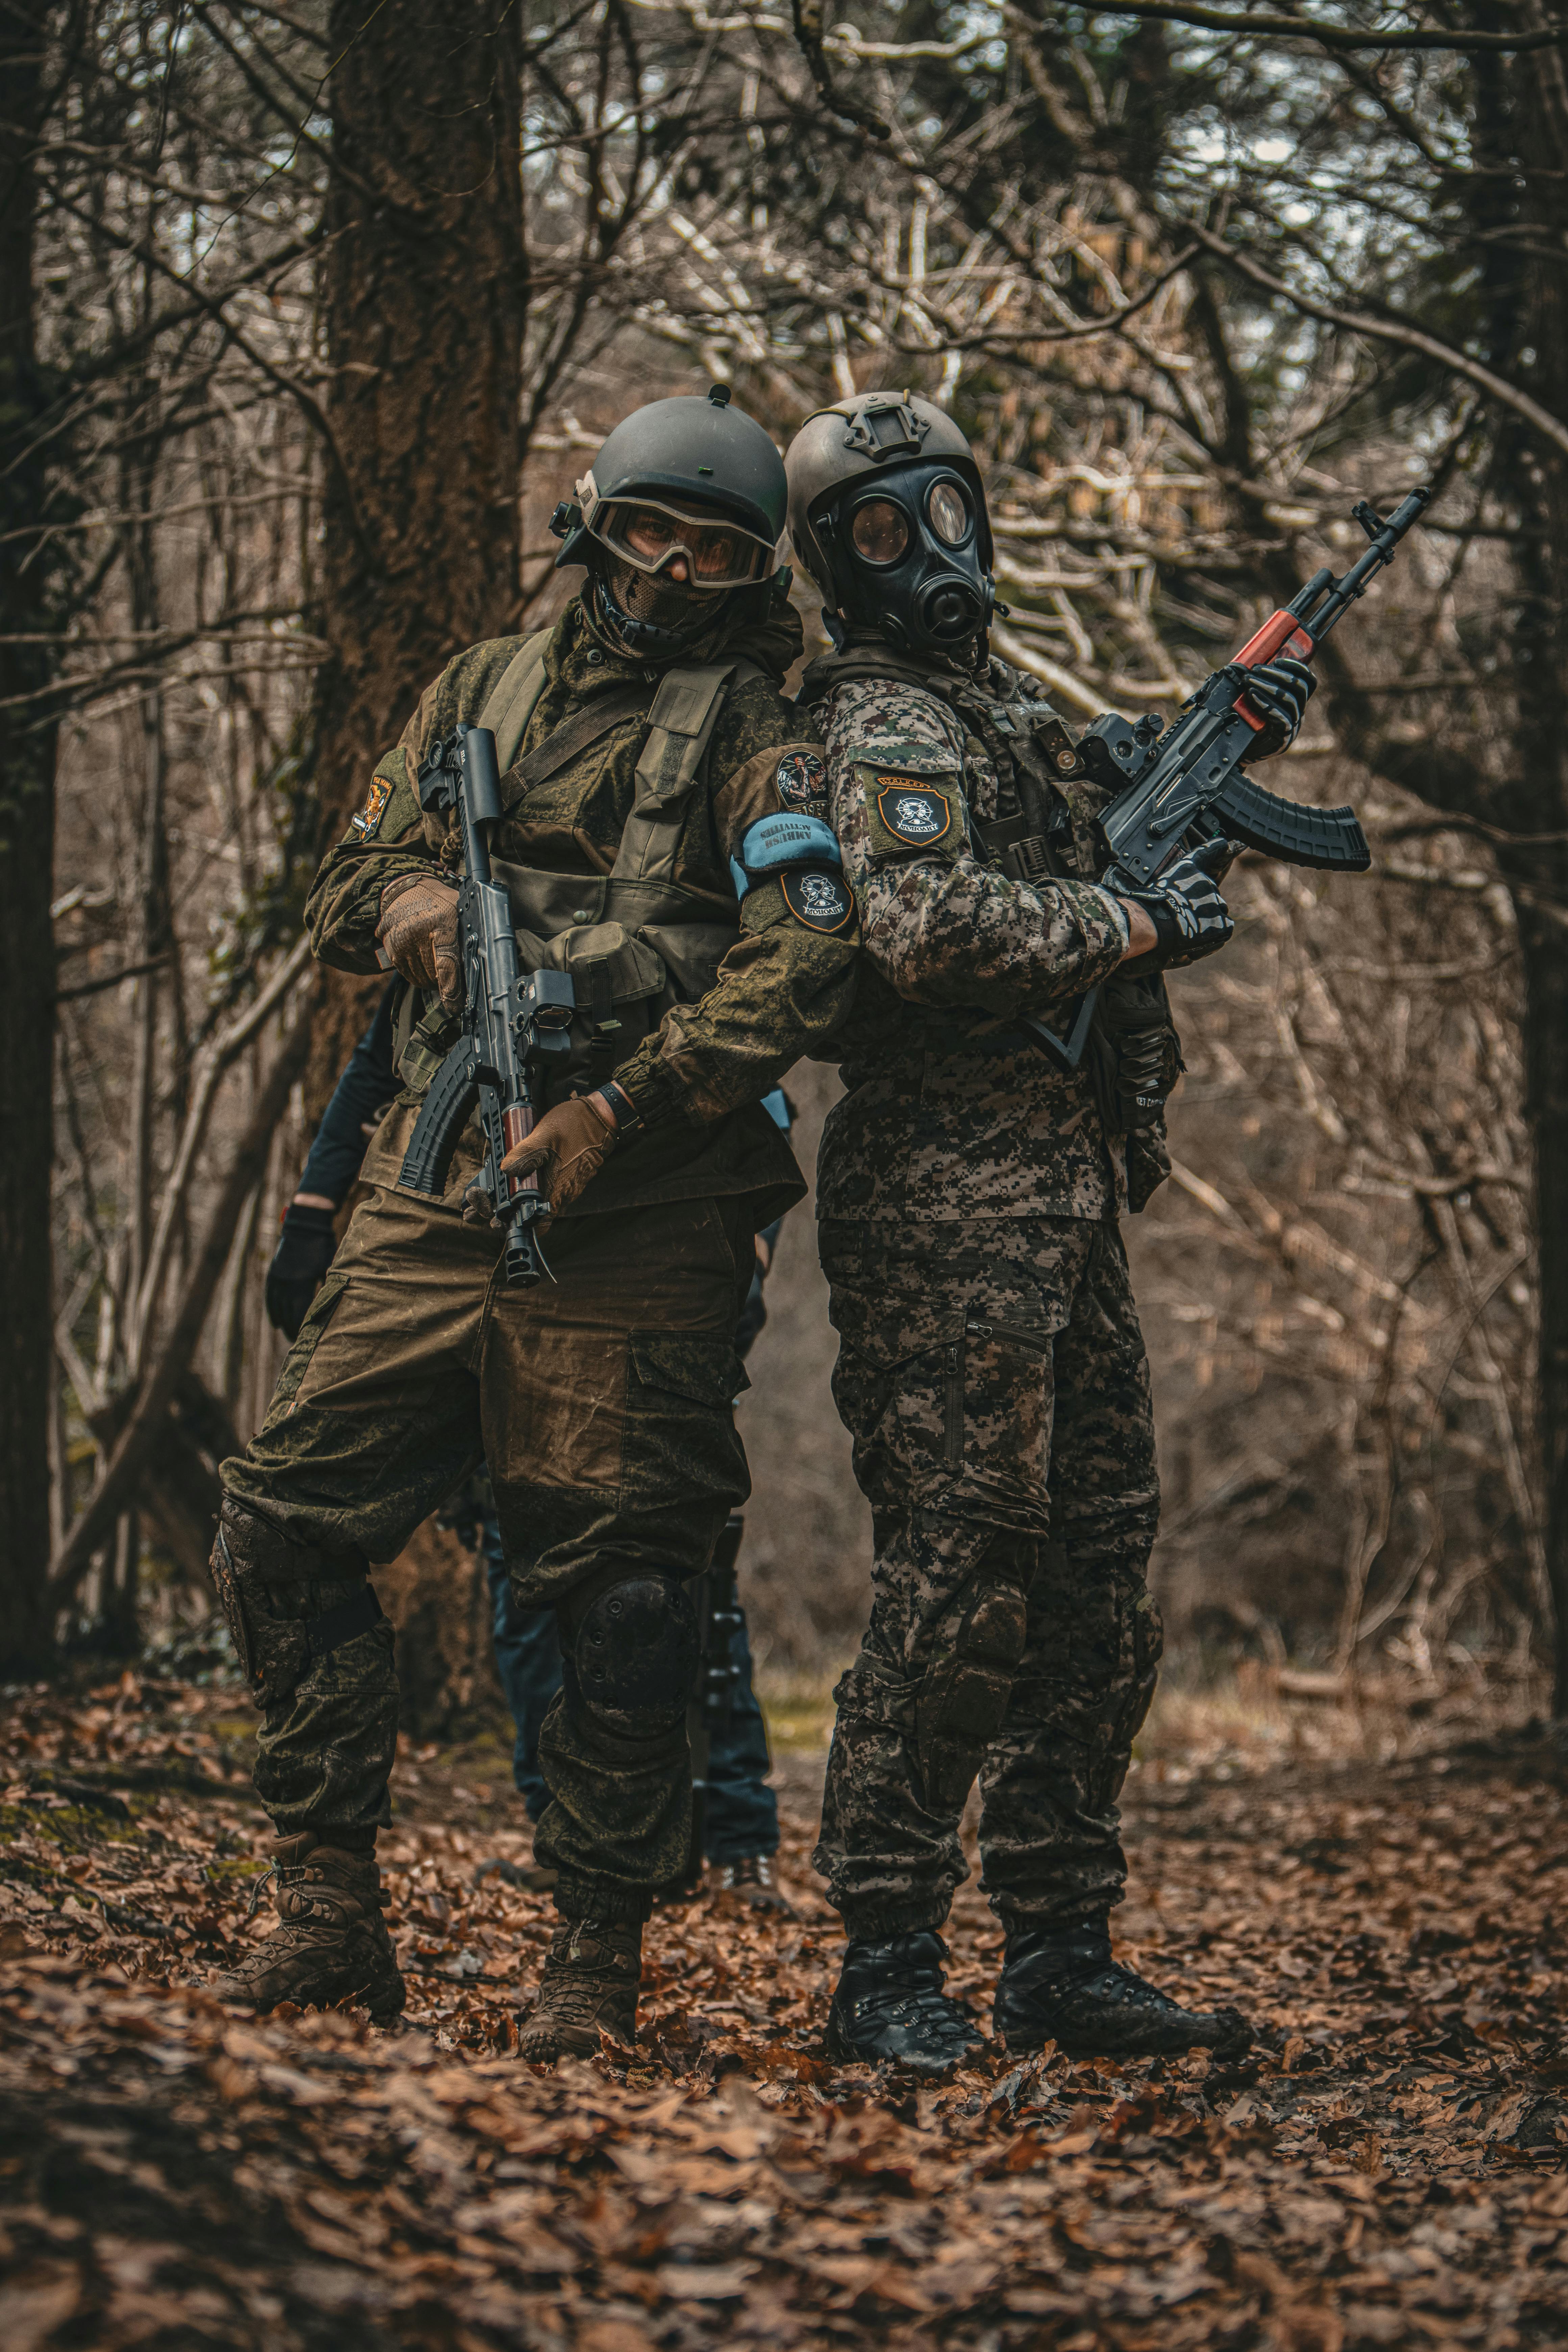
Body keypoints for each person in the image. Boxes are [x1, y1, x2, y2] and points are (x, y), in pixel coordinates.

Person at [210, 386, 859, 2058]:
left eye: (715, 550)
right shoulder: (475, 690)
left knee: (626, 1595)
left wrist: (620, 1107)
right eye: (651, 532)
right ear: (595, 522)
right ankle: (327, 1912)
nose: (674, 568)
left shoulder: (757, 735)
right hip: (436, 1191)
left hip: (643, 1213)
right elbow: (346, 880)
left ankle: (591, 1954)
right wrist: (419, 906)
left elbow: (804, 955)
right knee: (282, 1529)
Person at [782, 390, 1315, 2071]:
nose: (925, 554)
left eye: (941, 512)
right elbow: (927, 926)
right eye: (878, 534)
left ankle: (1058, 1948)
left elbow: (1093, 807)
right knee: (959, 1581)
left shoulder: (998, 710)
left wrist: (1211, 747)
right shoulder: (876, 719)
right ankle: (883, 1959)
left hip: (1063, 1197)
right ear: (829, 567)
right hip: (943, 1201)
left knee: (1095, 1584)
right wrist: (1134, 917)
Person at [264, 1020, 794, 1912]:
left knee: (677, 1580)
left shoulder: (672, 951)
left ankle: (736, 1843)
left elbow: (757, 1090)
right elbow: (370, 1071)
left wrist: (746, 1260)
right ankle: (561, 1830)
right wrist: (313, 1218)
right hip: (483, 1275)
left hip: (646, 1282)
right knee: (519, 1580)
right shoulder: (457, 939)